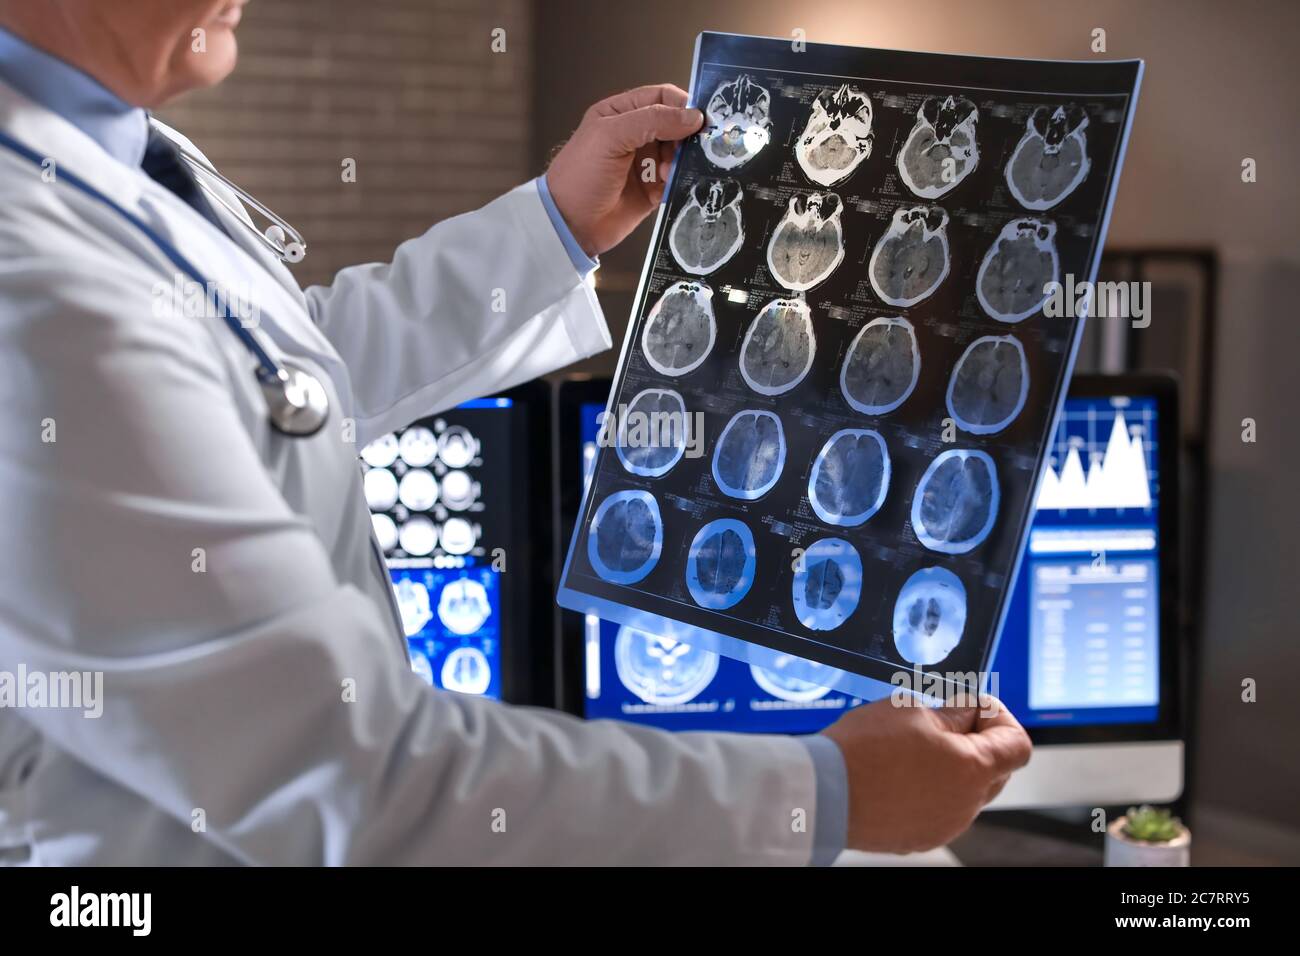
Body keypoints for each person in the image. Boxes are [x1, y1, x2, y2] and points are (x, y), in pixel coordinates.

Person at [0, 0, 1030, 866]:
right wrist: (825, 792)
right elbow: (343, 770)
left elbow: (281, 376)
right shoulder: (31, 280)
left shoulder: (103, 147)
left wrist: (552, 226)